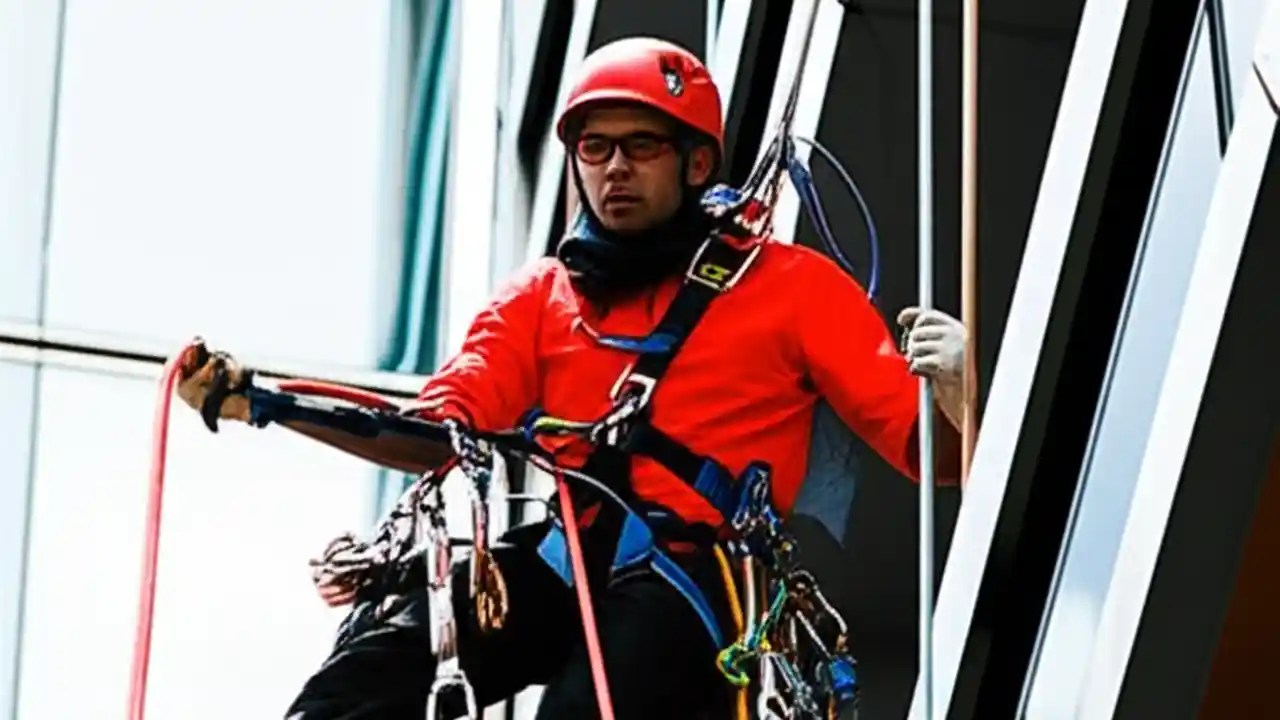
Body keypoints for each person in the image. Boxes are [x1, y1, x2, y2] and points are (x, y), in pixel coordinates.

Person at [177, 37, 966, 720]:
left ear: (697, 162)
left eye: (641, 146)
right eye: (595, 148)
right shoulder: (542, 297)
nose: (615, 168)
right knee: (363, 679)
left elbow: (932, 453)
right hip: (562, 562)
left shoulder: (792, 287)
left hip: (691, 581)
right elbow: (437, 432)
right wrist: (266, 404)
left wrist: (964, 389)